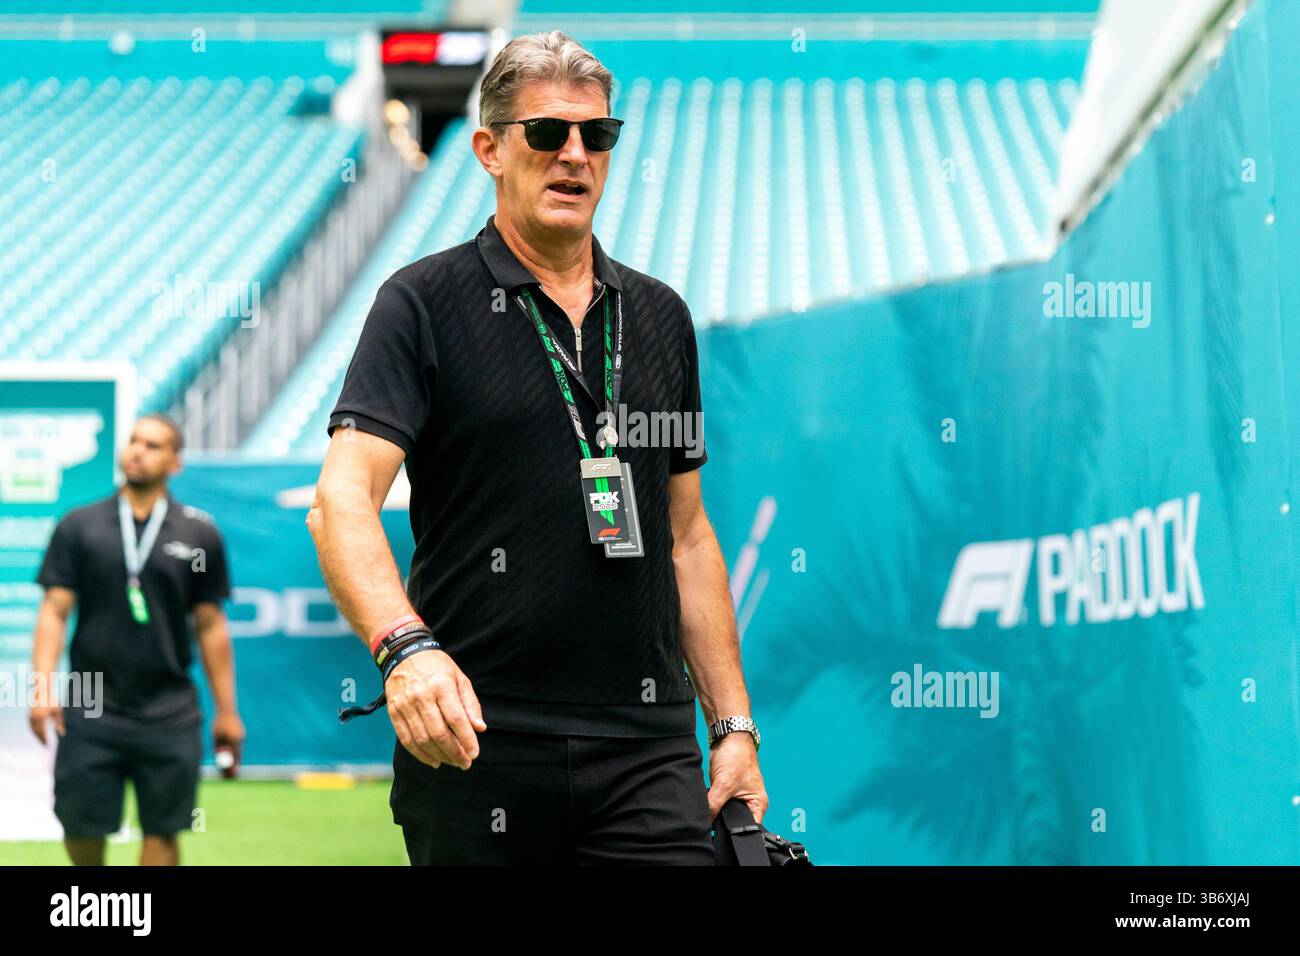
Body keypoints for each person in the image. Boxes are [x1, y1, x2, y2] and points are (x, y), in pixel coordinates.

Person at [308, 30, 767, 865]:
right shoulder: (422, 302)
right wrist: (404, 651)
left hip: (646, 749)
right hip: (478, 738)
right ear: (489, 150)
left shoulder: (661, 317)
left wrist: (732, 725)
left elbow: (688, 537)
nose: (575, 155)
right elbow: (340, 502)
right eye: (547, 133)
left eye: (598, 135)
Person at [30, 413, 243, 866]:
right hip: (90, 708)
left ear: (175, 462)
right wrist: (42, 686)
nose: (137, 451)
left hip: (169, 710)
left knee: (163, 831)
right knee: (81, 826)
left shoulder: (198, 535)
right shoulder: (79, 525)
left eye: (152, 444)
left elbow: (211, 626)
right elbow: (54, 610)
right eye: (132, 441)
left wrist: (227, 712)